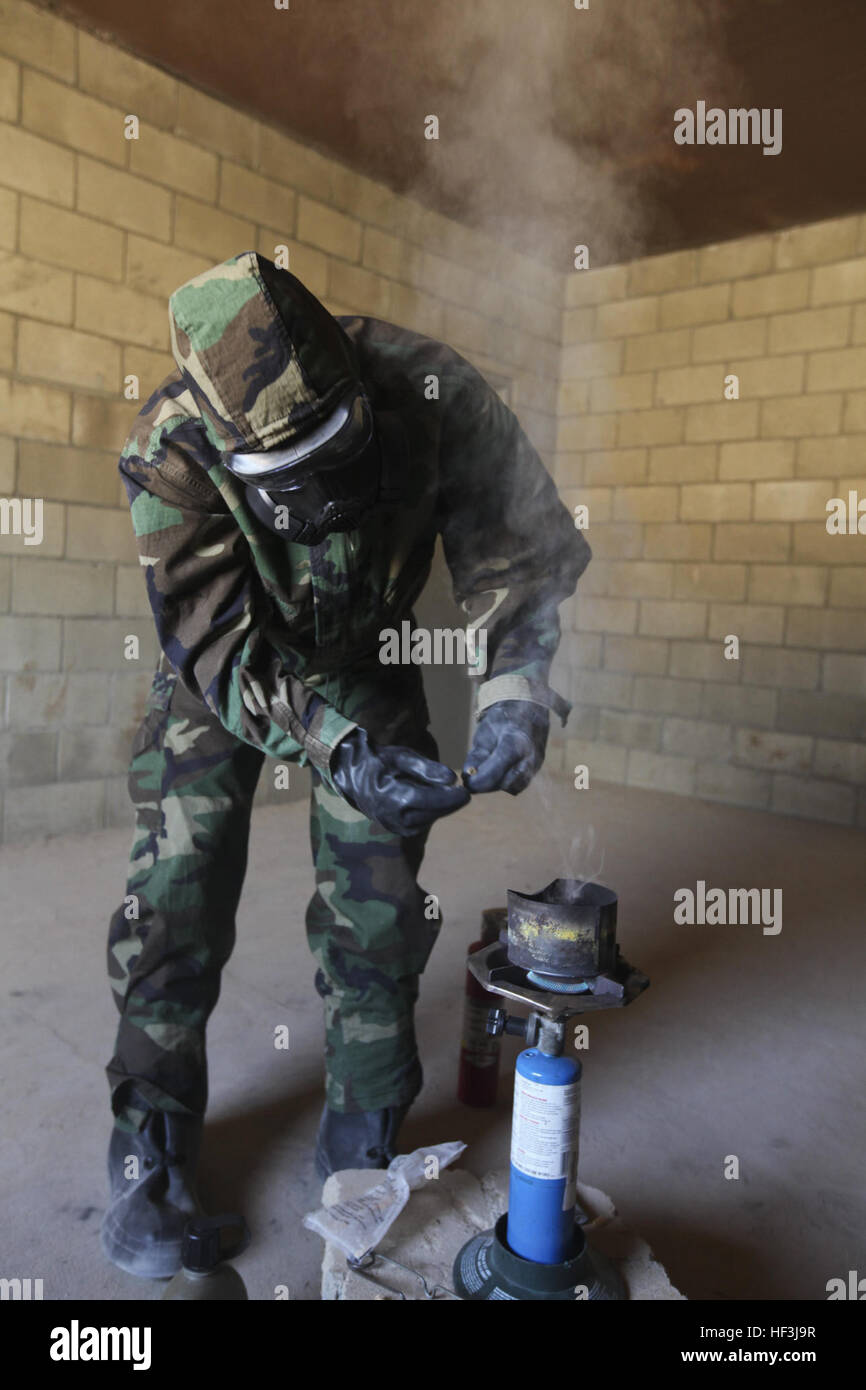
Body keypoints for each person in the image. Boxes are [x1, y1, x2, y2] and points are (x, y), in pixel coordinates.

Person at [100, 250, 590, 1277]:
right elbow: (219, 649)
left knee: (375, 901)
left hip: (369, 655)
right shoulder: (168, 452)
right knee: (174, 893)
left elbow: (522, 558)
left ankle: (365, 1117)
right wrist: (332, 746)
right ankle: (150, 1144)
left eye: (334, 450)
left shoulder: (434, 391)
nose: (318, 494)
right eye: (285, 479)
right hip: (226, 669)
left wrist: (511, 690)